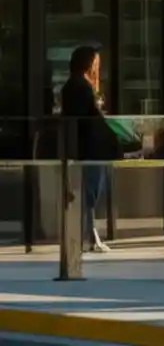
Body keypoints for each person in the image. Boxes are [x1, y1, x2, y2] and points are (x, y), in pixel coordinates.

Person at [60, 46, 121, 253]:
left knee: (88, 194)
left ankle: (90, 236)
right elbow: (92, 121)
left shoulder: (75, 86)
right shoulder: (80, 87)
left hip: (87, 149)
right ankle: (88, 237)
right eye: (96, 63)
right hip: (90, 150)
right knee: (89, 193)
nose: (98, 68)